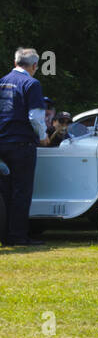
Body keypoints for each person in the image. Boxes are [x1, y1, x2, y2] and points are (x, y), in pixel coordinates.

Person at [0, 48, 48, 246]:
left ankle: (4, 234)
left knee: (5, 193)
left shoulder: (2, 82)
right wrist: (43, 136)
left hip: (1, 142)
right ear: (35, 66)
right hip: (21, 143)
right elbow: (35, 117)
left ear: (15, 62)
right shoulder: (31, 83)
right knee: (22, 191)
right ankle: (18, 236)